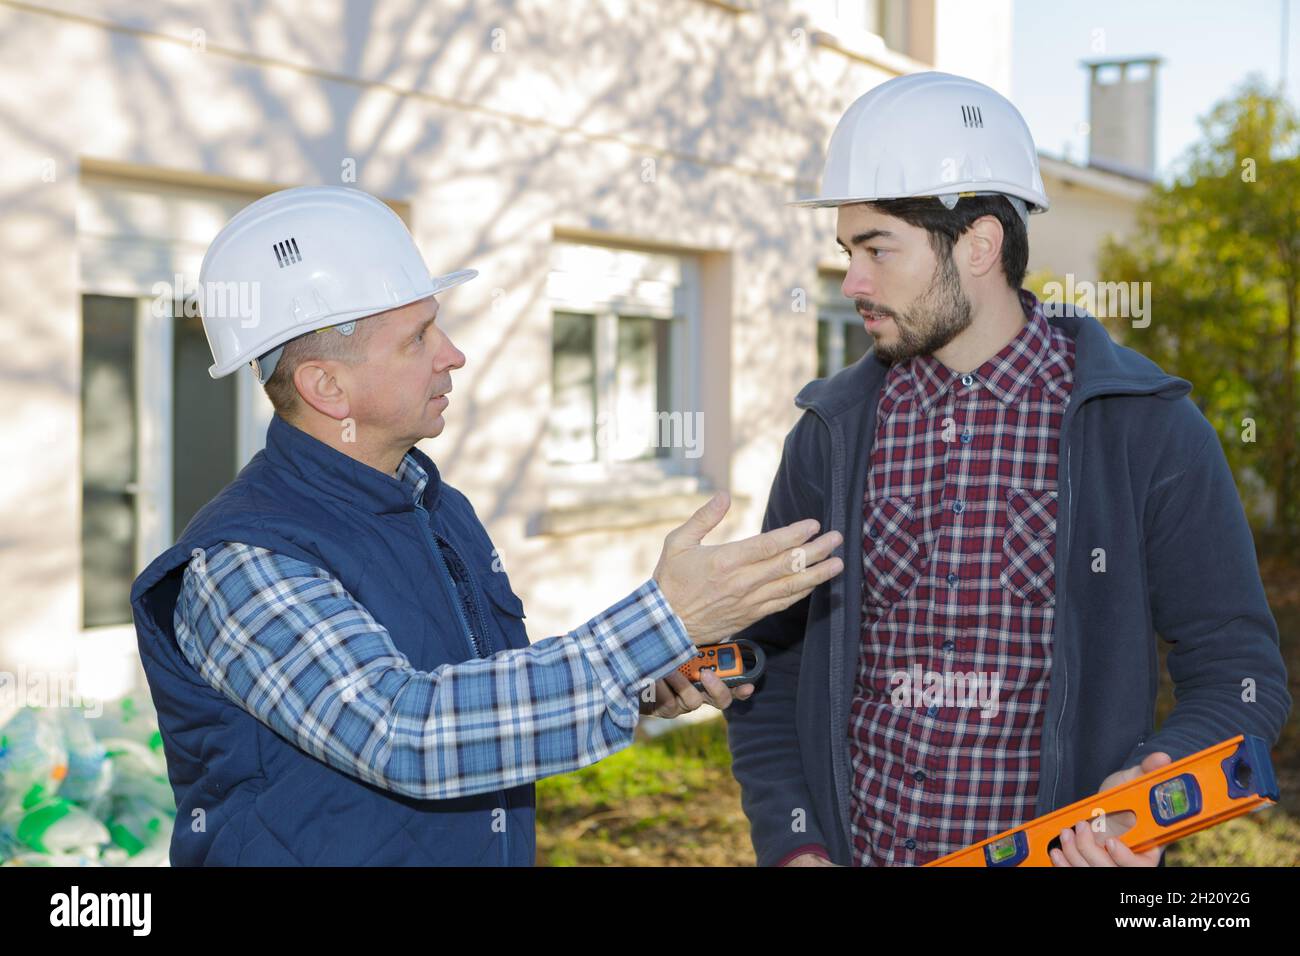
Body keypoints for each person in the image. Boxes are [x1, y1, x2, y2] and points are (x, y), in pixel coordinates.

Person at [129, 185, 844, 865]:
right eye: (417, 338)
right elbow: (405, 734)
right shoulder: (245, 563)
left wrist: (643, 685)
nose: (453, 354)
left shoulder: (434, 508)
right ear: (327, 386)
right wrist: (660, 620)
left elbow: (487, 706)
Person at [723, 71, 1291, 867]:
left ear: (980, 244)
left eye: (877, 249)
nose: (852, 281)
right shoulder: (830, 435)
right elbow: (769, 666)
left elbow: (1237, 670)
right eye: (848, 251)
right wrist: (795, 845)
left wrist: (1155, 787)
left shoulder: (1144, 428)